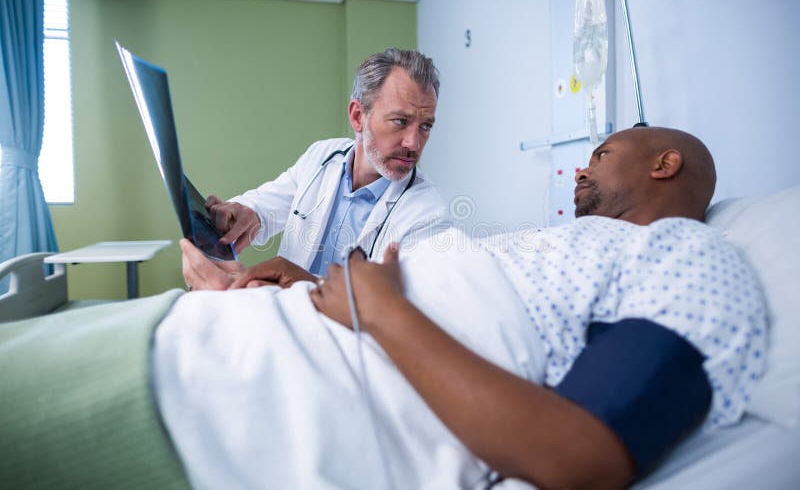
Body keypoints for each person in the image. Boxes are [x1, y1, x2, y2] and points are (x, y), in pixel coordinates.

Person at [2, 128, 766, 490]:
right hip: (222, 336)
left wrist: (381, 310)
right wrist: (304, 288)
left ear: (665, 163)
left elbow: (585, 454)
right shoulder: (554, 249)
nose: (579, 166)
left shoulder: (689, 255)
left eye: (601, 152)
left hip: (214, 394)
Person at [200, 48, 449, 287]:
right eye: (400, 121)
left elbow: (404, 306)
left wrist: (303, 282)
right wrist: (247, 213)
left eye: (426, 126)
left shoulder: (427, 212)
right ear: (358, 116)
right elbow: (269, 204)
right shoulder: (323, 155)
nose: (414, 143)